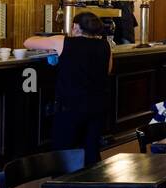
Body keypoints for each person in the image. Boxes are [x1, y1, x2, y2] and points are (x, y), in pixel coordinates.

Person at [26, 12, 112, 164]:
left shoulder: (63, 42)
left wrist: (55, 46)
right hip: (97, 106)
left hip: (70, 106)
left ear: (76, 27)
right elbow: (108, 70)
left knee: (63, 151)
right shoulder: (105, 45)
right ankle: (90, 186)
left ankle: (60, 186)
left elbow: (28, 42)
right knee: (91, 149)